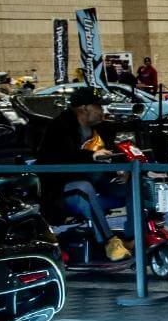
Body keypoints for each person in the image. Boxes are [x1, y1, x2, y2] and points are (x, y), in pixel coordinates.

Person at [35, 86, 132, 262]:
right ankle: (109, 242)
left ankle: (133, 236)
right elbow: (57, 158)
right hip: (61, 192)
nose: (103, 111)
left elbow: (112, 152)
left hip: (97, 184)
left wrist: (123, 168)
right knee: (83, 188)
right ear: (84, 108)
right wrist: (91, 155)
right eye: (99, 107)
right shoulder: (58, 128)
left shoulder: (102, 129)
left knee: (130, 186)